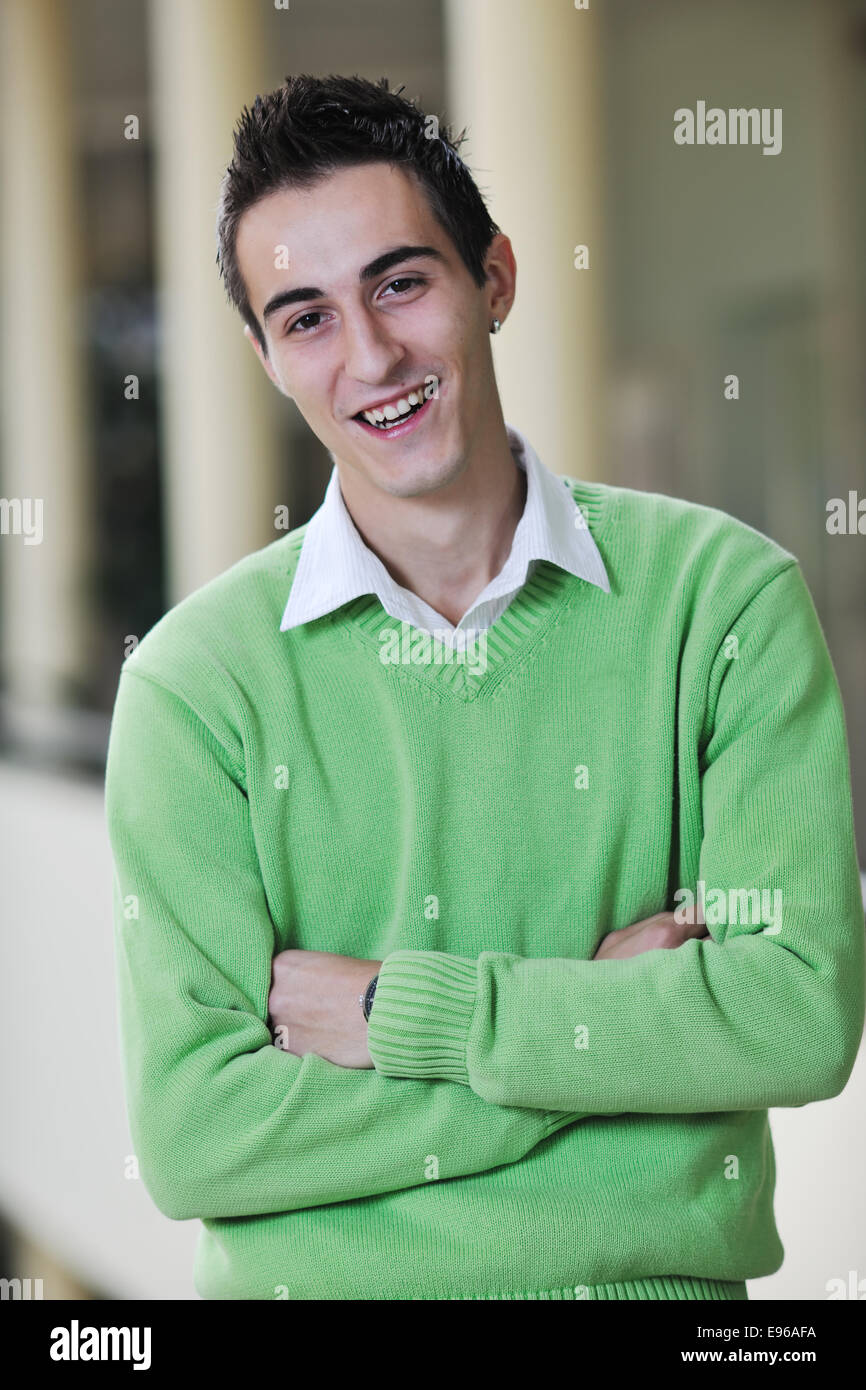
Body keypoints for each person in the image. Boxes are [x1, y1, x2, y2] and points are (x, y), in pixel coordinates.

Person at [104, 74, 865, 1301]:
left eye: (400, 283)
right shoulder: (194, 688)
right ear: (264, 356)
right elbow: (196, 1136)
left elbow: (792, 1015)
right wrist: (601, 1040)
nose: (369, 356)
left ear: (493, 278)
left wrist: (402, 1015)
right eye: (304, 318)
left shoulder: (721, 606)